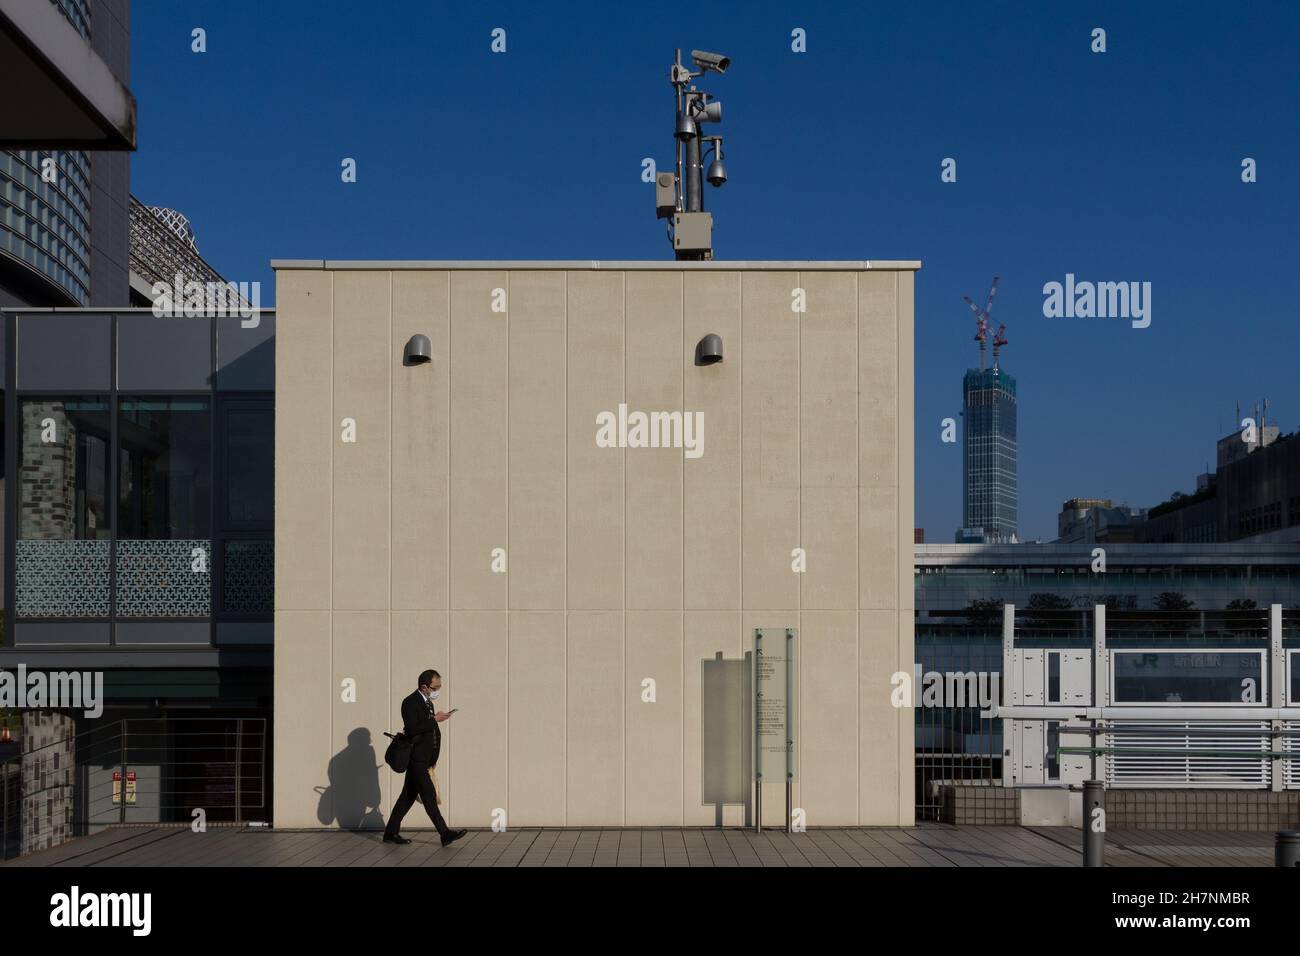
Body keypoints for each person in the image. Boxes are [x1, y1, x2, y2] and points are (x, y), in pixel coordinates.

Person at [383, 669, 467, 847]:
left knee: (407, 796)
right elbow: (412, 728)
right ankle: (444, 833)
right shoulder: (409, 702)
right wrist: (435, 719)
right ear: (424, 686)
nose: (437, 691)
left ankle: (390, 833)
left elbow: (429, 731)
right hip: (416, 759)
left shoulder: (428, 703)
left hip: (425, 759)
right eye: (435, 687)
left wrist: (433, 757)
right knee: (429, 794)